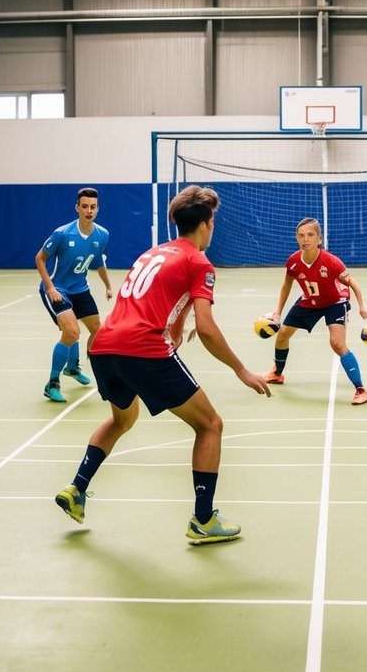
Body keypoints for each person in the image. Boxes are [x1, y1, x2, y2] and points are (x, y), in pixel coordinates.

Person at [54, 186, 271, 543]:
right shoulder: (199, 262)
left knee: (122, 418)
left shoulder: (154, 253)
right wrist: (241, 370)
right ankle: (203, 519)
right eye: (212, 221)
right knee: (210, 425)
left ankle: (77, 488)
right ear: (205, 224)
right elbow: (208, 328)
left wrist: (177, 324)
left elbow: (159, 295)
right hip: (142, 347)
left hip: (105, 345)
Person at [264, 217, 367, 405]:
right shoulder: (293, 261)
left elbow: (353, 283)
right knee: (282, 335)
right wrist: (277, 313)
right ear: (296, 238)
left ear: (319, 239)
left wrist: (362, 305)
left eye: (310, 235)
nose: (305, 239)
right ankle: (277, 374)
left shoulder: (331, 261)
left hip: (335, 301)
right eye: (301, 235)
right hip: (310, 300)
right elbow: (286, 286)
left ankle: (361, 389)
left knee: (337, 344)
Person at [35, 187, 113, 403]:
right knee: (71, 332)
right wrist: (50, 288)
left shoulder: (102, 234)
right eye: (85, 206)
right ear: (77, 208)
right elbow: (40, 259)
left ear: (98, 209)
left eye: (93, 207)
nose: (89, 211)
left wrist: (108, 286)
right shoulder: (62, 233)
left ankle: (72, 366)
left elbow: (99, 263)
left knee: (98, 329)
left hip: (81, 289)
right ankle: (52, 383)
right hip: (57, 289)